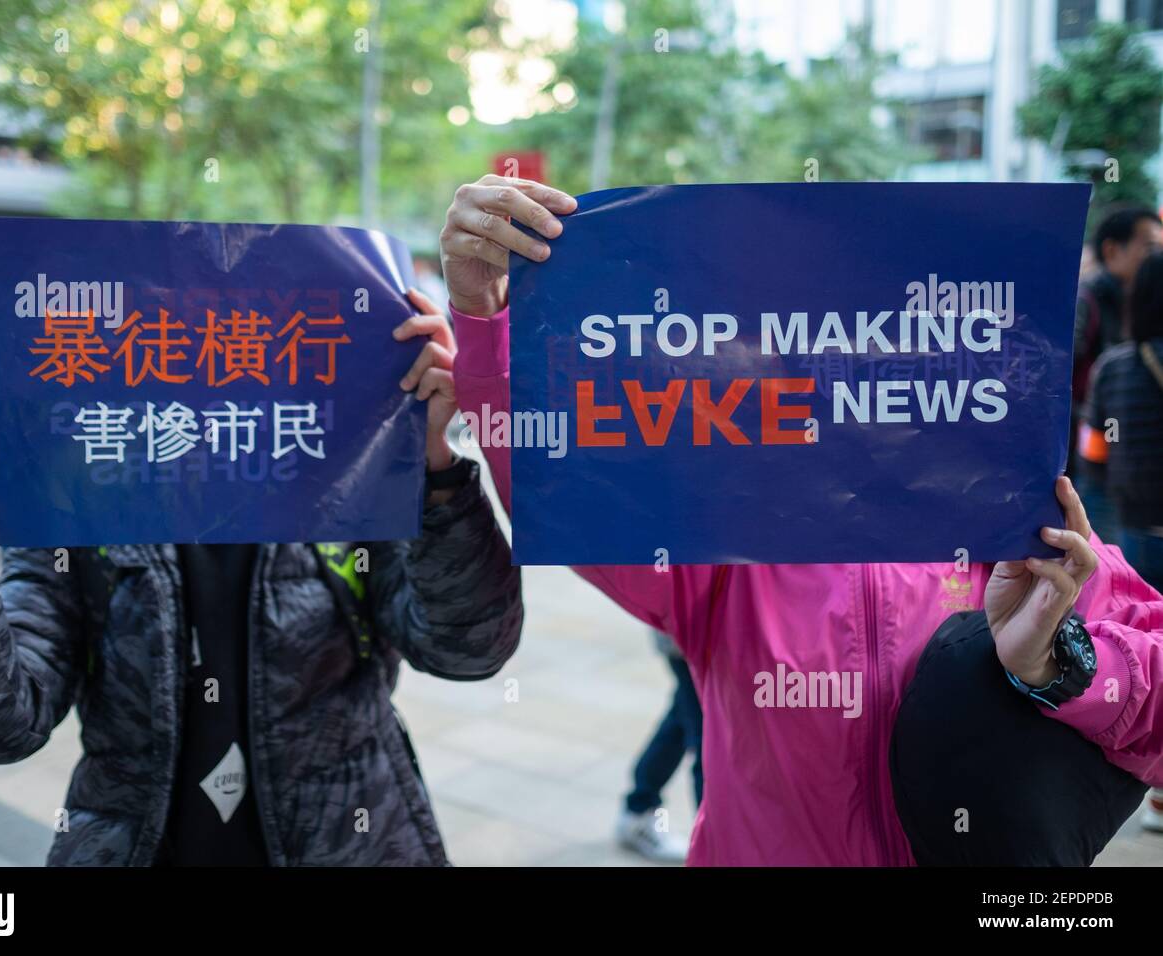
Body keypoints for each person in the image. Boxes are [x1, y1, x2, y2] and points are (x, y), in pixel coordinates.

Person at [441, 174, 1163, 866]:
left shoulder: (1024, 526)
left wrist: (1061, 663)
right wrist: (487, 323)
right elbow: (565, 485)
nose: (867, 357)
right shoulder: (732, 530)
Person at [0, 288, 524, 866]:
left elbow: (466, 649)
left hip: (356, 835)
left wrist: (438, 473)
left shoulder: (349, 487)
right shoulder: (76, 514)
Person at [1081, 249, 1163, 835]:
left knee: (1143, 639)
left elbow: (1094, 452)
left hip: (1137, 525)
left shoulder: (1114, 366)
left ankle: (1157, 797)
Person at [1071, 205, 1162, 538]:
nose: (1156, 257)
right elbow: (1054, 376)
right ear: (1112, 250)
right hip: (1091, 470)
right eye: (1150, 247)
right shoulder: (1086, 301)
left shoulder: (1138, 301)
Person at [616, 630, 702, 863]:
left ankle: (639, 806)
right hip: (693, 633)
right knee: (707, 743)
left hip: (697, 633)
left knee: (685, 715)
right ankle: (713, 851)